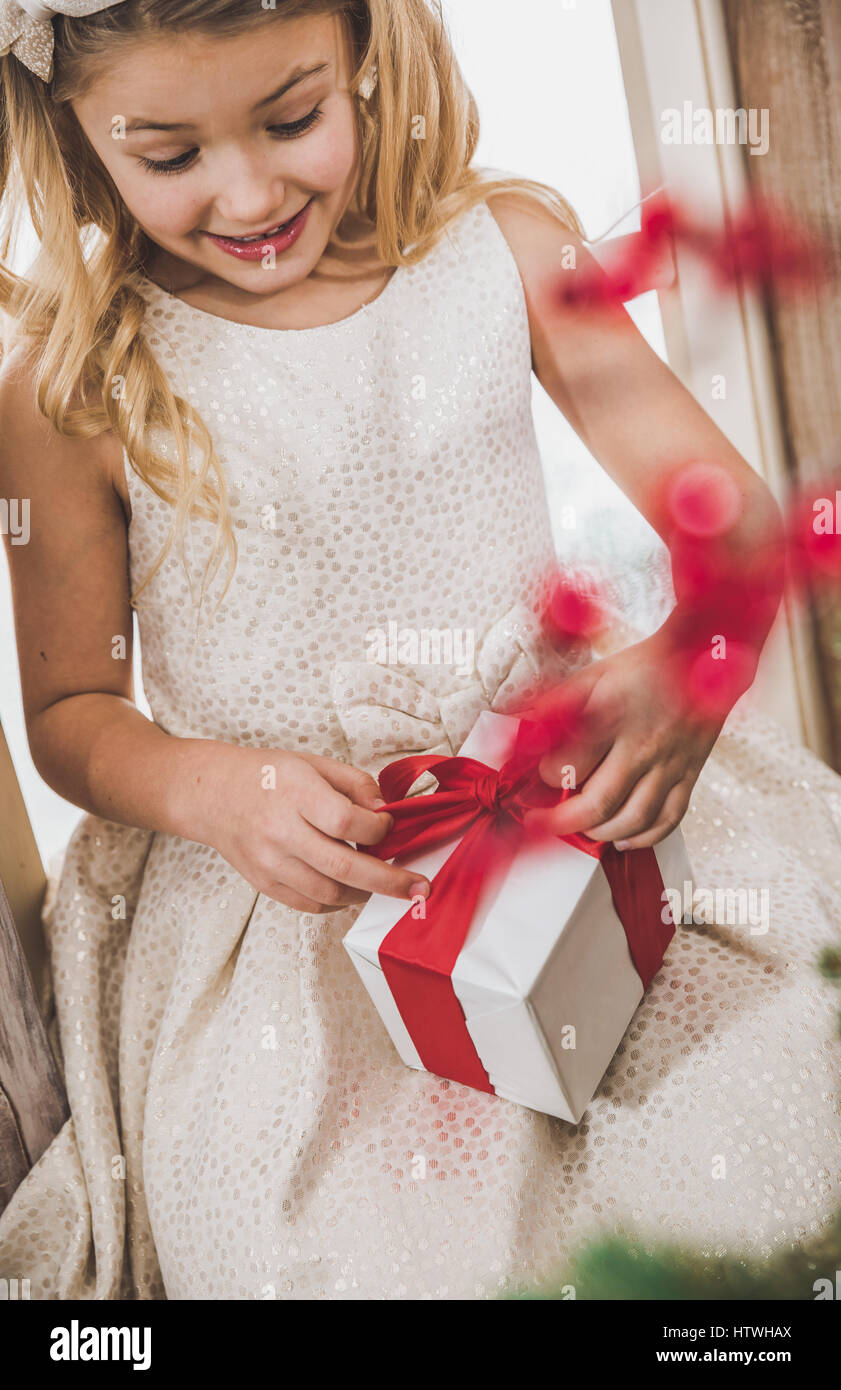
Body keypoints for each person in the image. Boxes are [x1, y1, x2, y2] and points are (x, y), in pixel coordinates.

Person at [0, 0, 839, 1301]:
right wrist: (209, 787)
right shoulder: (72, 389)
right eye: (169, 153)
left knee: (756, 1132)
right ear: (71, 131)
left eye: (292, 117)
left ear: (364, 54)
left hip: (571, 827)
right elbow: (68, 706)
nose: (248, 189)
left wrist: (693, 666)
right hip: (298, 909)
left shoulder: (499, 252)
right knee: (346, 1254)